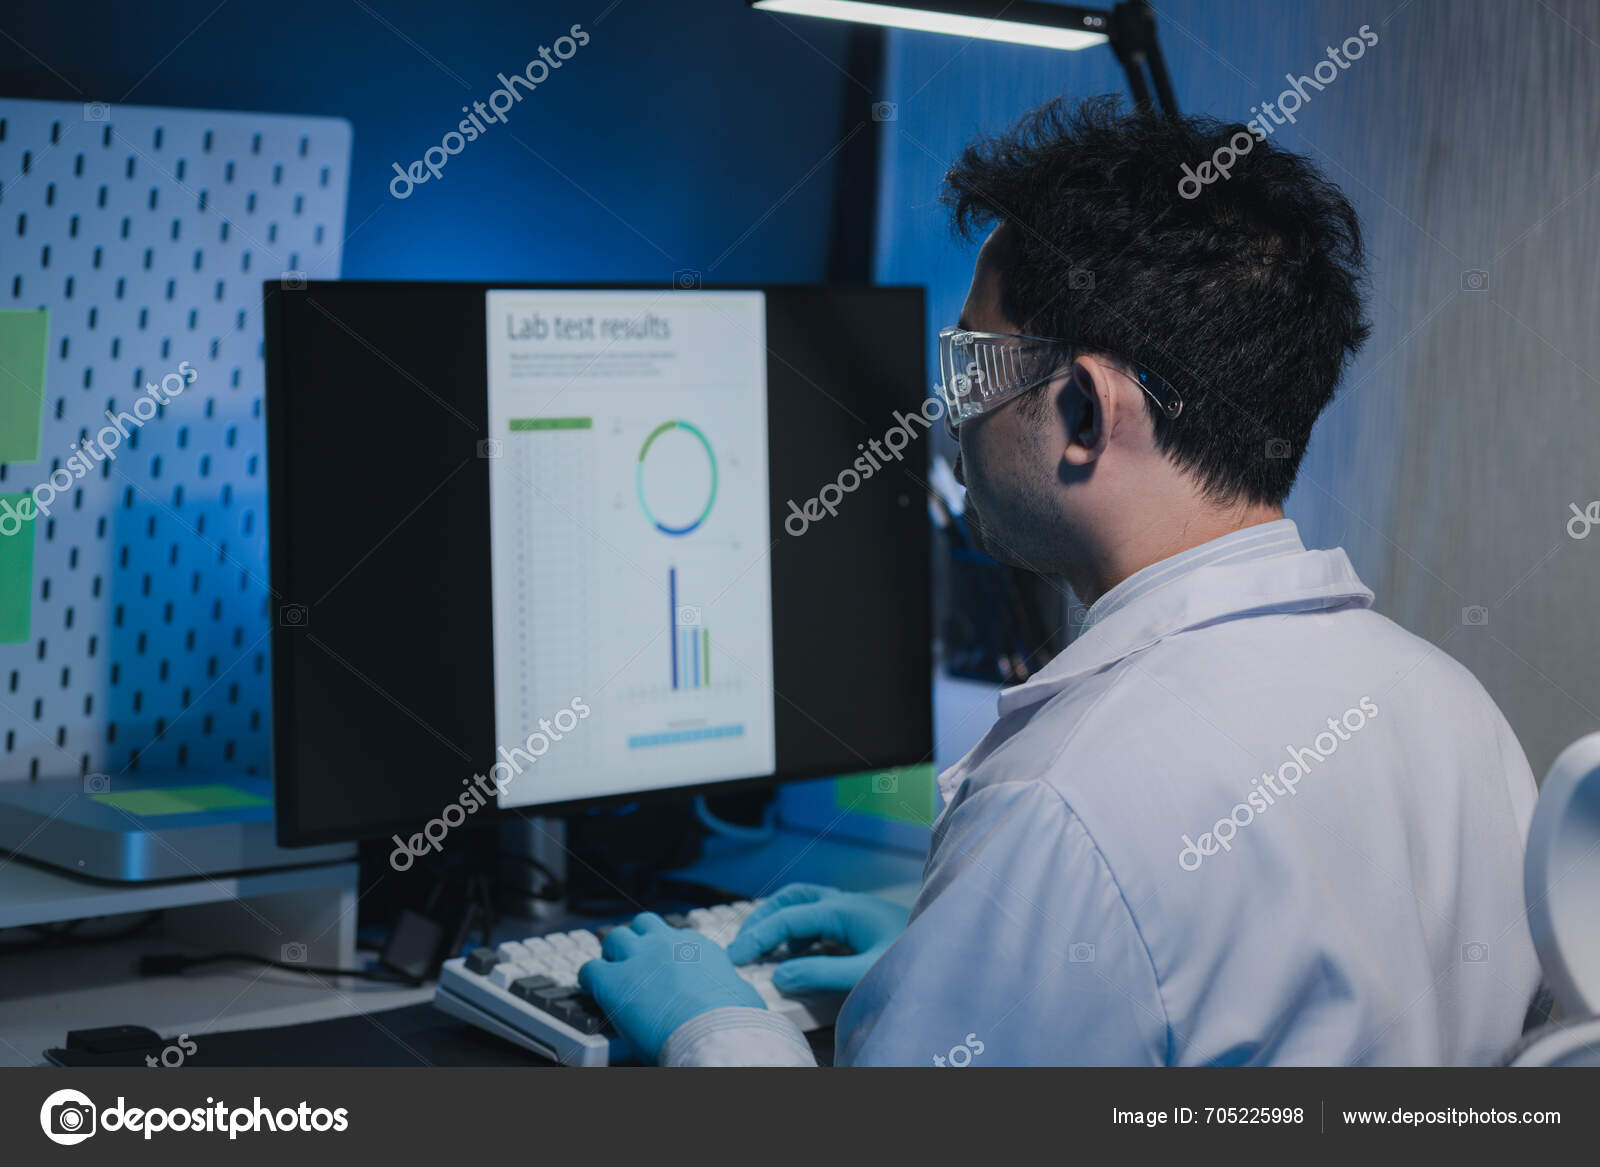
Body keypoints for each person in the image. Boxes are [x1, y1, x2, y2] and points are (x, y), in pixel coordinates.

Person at [579, 97, 1541, 1066]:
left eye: (968, 370)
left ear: (1083, 408)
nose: (952, 420)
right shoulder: (1450, 704)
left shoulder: (1065, 801)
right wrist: (949, 960)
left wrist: (713, 1026)